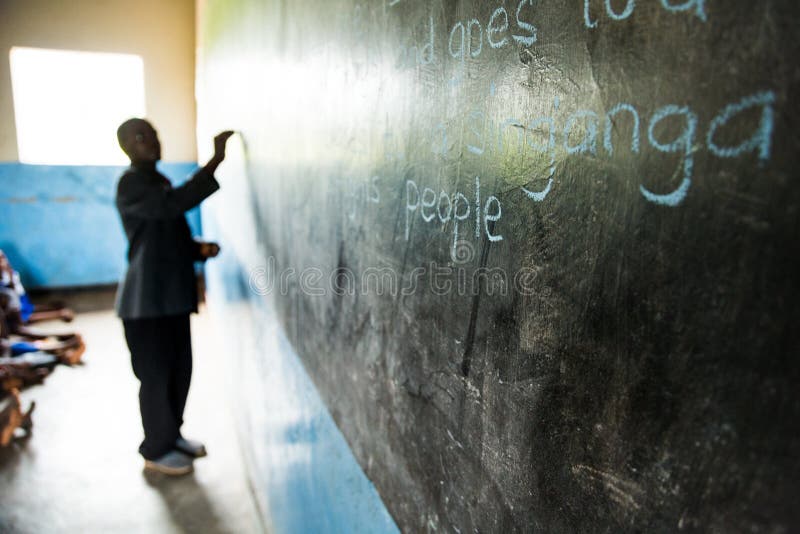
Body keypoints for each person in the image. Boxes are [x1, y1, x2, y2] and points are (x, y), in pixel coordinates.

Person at [115, 118, 233, 475]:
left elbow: (167, 236)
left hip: (171, 300)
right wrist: (214, 161)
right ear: (125, 147)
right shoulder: (131, 183)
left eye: (153, 134)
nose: (152, 141)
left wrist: (199, 249)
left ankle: (171, 436)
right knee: (155, 376)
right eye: (141, 137)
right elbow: (171, 205)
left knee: (179, 372)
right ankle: (155, 448)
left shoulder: (156, 181)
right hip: (145, 304)